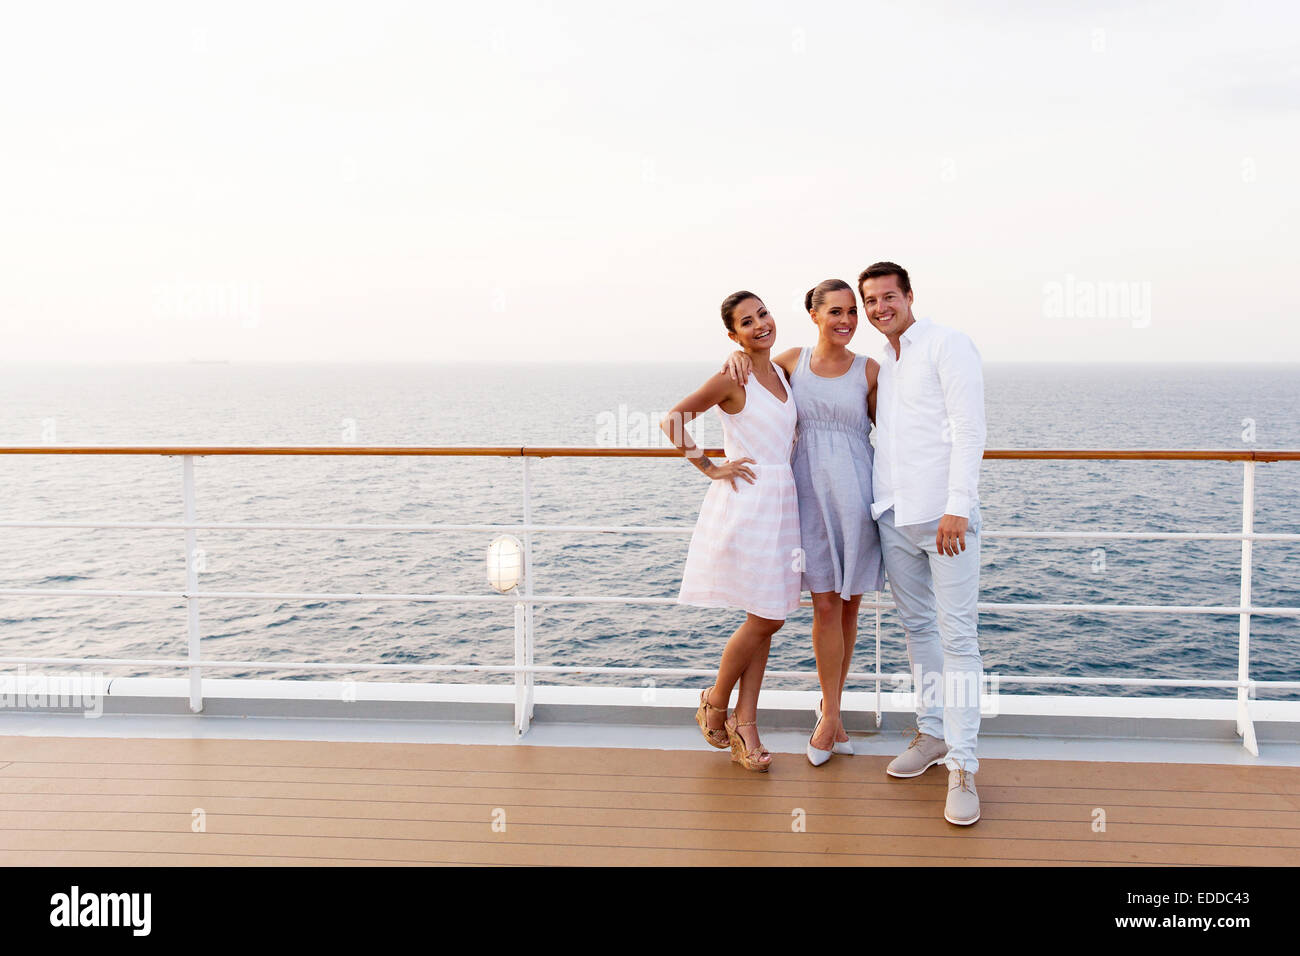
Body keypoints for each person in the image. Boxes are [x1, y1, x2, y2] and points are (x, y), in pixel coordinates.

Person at [722, 279, 885, 766]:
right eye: (835, 311)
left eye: (852, 311)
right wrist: (734, 360)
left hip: (857, 493)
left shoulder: (870, 370)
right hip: (806, 494)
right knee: (826, 607)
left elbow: (892, 431)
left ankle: (831, 714)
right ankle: (830, 718)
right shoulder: (791, 361)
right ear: (813, 314)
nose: (846, 320)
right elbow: (754, 382)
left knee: (850, 606)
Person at [859, 261, 987, 826]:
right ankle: (933, 734)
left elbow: (969, 427)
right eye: (870, 301)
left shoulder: (946, 344)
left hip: (944, 519)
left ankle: (963, 765)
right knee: (918, 632)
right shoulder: (884, 361)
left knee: (957, 638)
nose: (879, 307)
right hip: (894, 516)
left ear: (909, 296)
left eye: (888, 297)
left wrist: (958, 506)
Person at [662, 291, 801, 772]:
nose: (761, 324)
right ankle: (717, 701)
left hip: (783, 503)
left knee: (767, 612)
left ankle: (745, 722)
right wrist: (709, 467)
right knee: (768, 617)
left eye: (763, 313)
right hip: (750, 504)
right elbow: (673, 420)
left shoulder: (782, 369)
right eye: (747, 321)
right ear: (733, 334)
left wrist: (747, 353)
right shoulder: (731, 376)